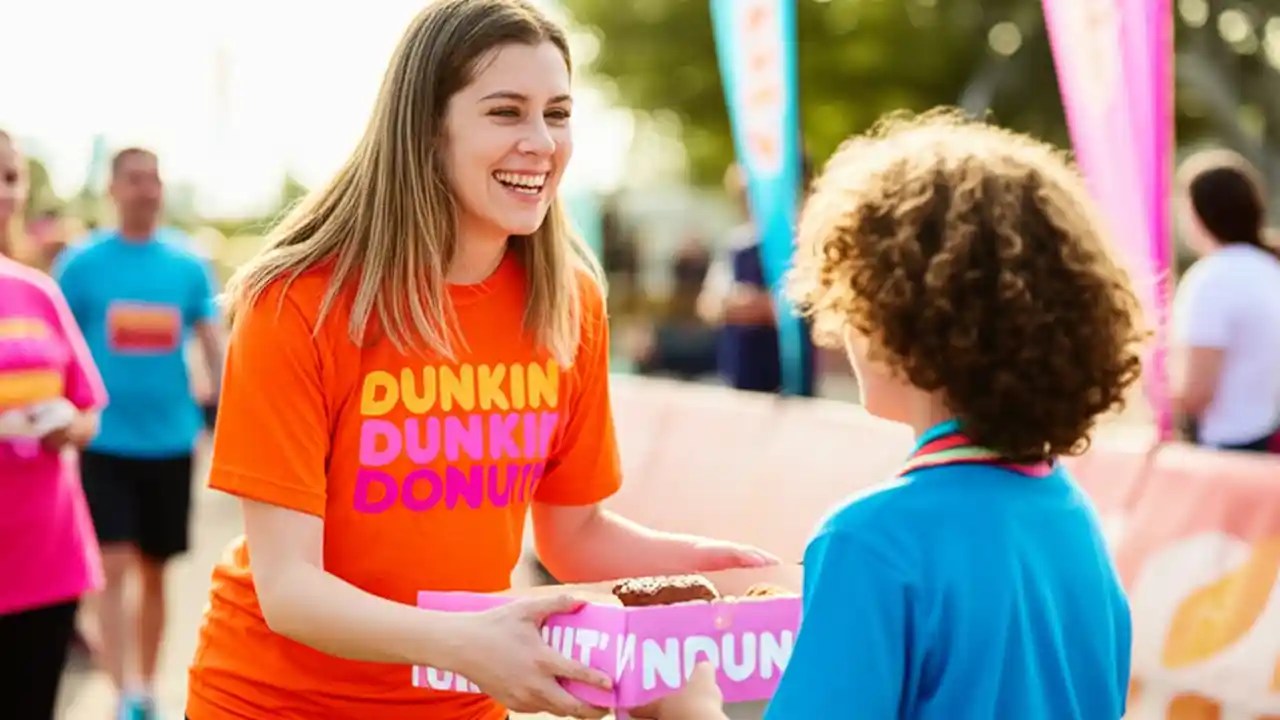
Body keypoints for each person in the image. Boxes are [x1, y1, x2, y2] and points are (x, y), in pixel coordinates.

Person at [185, 2, 774, 719]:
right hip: (273, 703)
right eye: (506, 112)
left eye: (557, 114)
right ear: (429, 129)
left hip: (461, 704)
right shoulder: (298, 303)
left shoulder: (569, 301)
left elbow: (574, 535)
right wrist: (465, 643)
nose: (542, 142)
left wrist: (711, 568)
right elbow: (289, 589)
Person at [637, 110, 1140, 719]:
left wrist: (684, 709)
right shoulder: (1072, 515)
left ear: (897, 323)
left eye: (851, 297)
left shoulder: (871, 541)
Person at [53, 147, 225, 720]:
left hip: (171, 441)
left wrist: (229, 400)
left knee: (155, 571)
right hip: (104, 442)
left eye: (153, 178)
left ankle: (145, 686)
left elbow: (210, 336)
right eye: (134, 179)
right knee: (112, 565)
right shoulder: (82, 264)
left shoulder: (186, 262)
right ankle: (122, 686)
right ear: (113, 188)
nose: (146, 189)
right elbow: (58, 347)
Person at [0, 129, 108, 720]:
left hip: (48, 558)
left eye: (11, 176)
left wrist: (70, 425)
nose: (3, 192)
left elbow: (89, 409)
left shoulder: (38, 292)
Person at [1171, 149, 1280, 453]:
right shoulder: (1269, 268)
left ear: (1197, 213)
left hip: (1227, 450)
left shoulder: (1211, 279)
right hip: (1267, 440)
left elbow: (1196, 393)